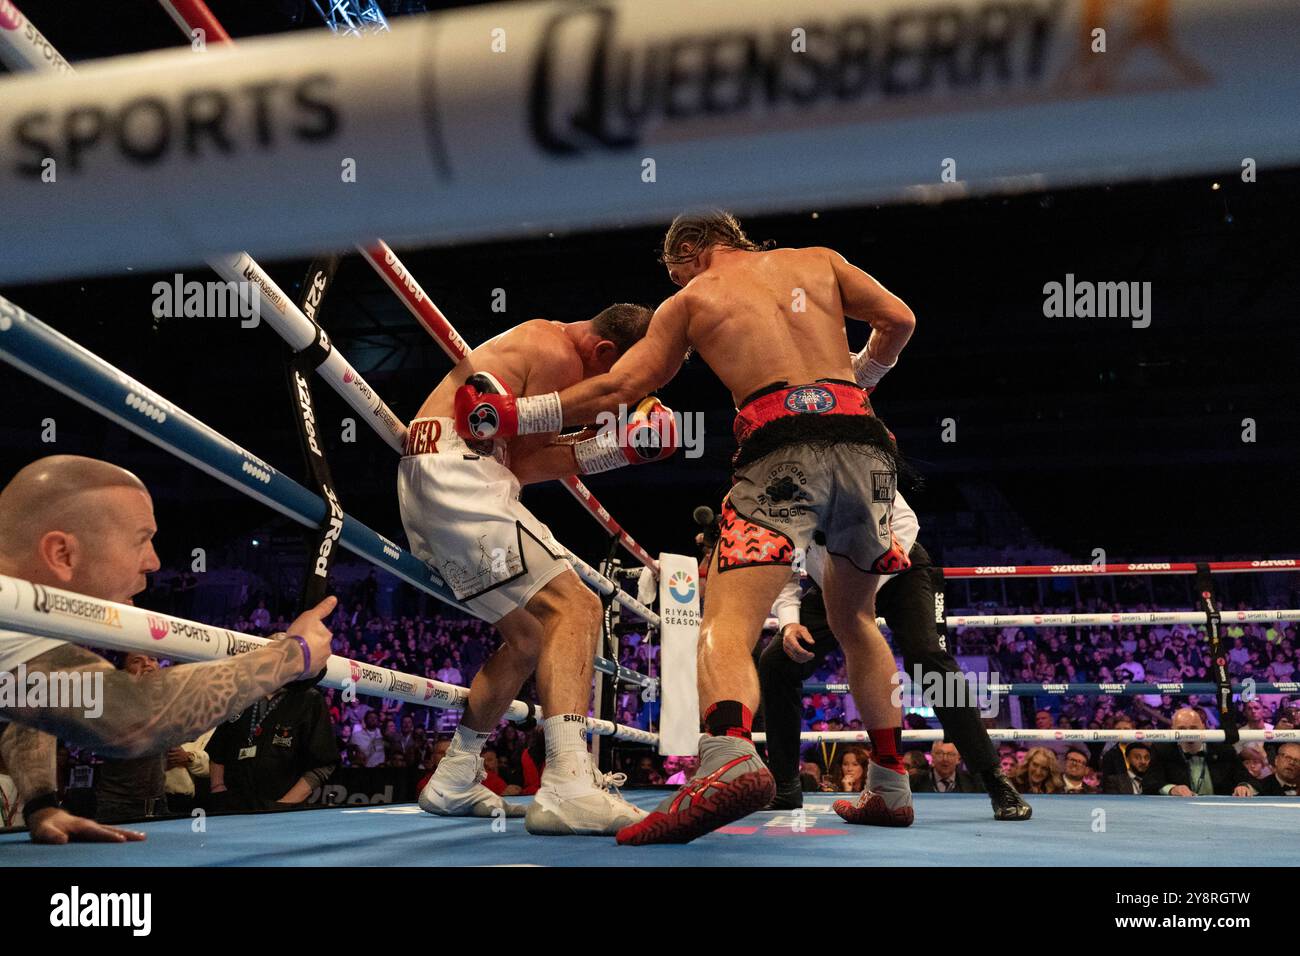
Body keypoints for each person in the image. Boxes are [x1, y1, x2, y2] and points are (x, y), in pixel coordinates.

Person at [462, 211, 918, 843]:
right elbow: (899, 321)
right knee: (856, 620)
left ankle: (729, 758)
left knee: (724, 622)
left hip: (780, 446)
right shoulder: (820, 258)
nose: (671, 275)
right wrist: (856, 380)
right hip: (868, 446)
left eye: (671, 263)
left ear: (691, 249)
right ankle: (890, 787)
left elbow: (620, 384)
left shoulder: (693, 297)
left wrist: (515, 413)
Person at [405, 304, 668, 836]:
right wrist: (613, 430)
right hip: (461, 479)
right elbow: (523, 454)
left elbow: (522, 459)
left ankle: (453, 776)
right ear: (605, 354)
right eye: (623, 379)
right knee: (578, 604)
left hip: (442, 486)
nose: (619, 396)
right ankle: (568, 783)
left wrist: (613, 449)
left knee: (526, 638)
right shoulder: (555, 353)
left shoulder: (543, 350)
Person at [0, 455, 335, 844]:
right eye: (141, 539)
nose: (154, 562)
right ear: (63, 554)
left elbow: (27, 707)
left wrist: (41, 805)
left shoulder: (19, 626)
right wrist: (293, 655)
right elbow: (133, 716)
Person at [758, 501, 1029, 819]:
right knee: (776, 661)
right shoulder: (776, 495)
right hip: (834, 584)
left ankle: (996, 781)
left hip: (901, 569)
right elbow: (783, 568)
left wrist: (865, 586)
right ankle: (786, 785)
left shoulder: (848, 459)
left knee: (927, 659)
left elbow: (905, 521)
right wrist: (790, 621)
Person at [206, 683, 338, 811]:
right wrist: (218, 789)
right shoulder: (241, 694)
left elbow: (323, 763)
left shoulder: (310, 699)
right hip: (233, 808)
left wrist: (284, 806)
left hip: (282, 811)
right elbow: (217, 750)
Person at [92, 654, 168, 823]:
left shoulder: (166, 701)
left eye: (152, 659)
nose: (147, 664)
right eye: (137, 661)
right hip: (118, 805)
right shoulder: (110, 701)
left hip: (159, 803)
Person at [1143, 707, 1255, 797]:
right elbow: (1149, 783)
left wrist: (1244, 786)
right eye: (1181, 729)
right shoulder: (1163, 750)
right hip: (1180, 811)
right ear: (1173, 730)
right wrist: (1172, 789)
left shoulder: (1223, 749)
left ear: (1203, 727)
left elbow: (1248, 779)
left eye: (1193, 728)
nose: (1188, 733)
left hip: (1221, 811)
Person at [911, 741, 982, 794]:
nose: (945, 759)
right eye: (939, 753)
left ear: (958, 759)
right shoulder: (914, 781)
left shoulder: (974, 782)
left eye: (950, 754)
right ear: (932, 757)